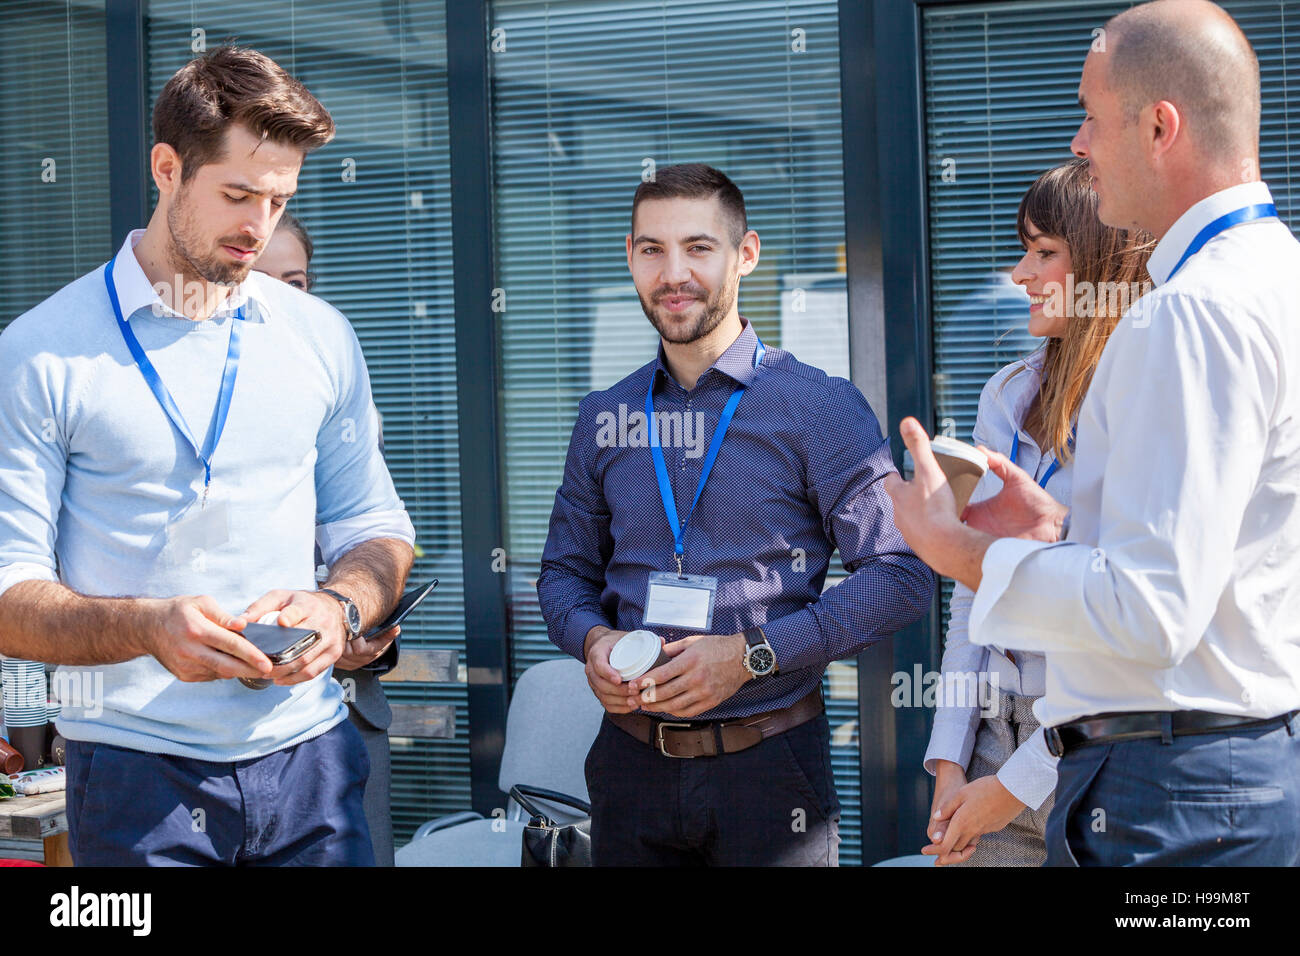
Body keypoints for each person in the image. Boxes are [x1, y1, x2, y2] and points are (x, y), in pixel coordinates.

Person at [886, 0, 1300, 866]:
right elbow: (1214, 566)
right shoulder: (1275, 278)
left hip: (1168, 794)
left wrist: (963, 554)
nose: (1077, 142)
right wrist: (1058, 536)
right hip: (1230, 774)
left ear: (1160, 126)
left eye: (1091, 116)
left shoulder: (1184, 315)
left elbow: (1151, 612)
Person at [0, 46, 415, 865]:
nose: (258, 227)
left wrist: (341, 608)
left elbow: (376, 524)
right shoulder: (40, 353)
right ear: (166, 168)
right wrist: (150, 628)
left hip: (313, 759)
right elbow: (9, 594)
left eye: (279, 199)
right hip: (130, 774)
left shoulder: (322, 336)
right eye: (237, 194)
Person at [537, 162, 934, 866]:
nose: (673, 273)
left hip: (770, 767)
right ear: (630, 257)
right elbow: (563, 575)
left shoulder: (816, 406)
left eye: (699, 247)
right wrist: (592, 640)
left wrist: (753, 656)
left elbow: (903, 574)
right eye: (652, 250)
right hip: (630, 770)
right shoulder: (606, 415)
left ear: (745, 255)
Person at [922, 158, 1153, 866]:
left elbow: (1129, 626)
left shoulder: (1148, 398)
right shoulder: (1006, 395)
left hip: (1102, 747)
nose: (1020, 275)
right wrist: (951, 760)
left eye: (1044, 252)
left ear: (1104, 266)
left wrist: (1016, 785)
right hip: (995, 739)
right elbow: (974, 585)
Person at [253, 211, 400, 867]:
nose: (284, 302)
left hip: (345, 718)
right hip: (237, 725)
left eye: (297, 281)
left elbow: (374, 537)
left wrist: (356, 621)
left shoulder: (338, 397)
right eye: (262, 281)